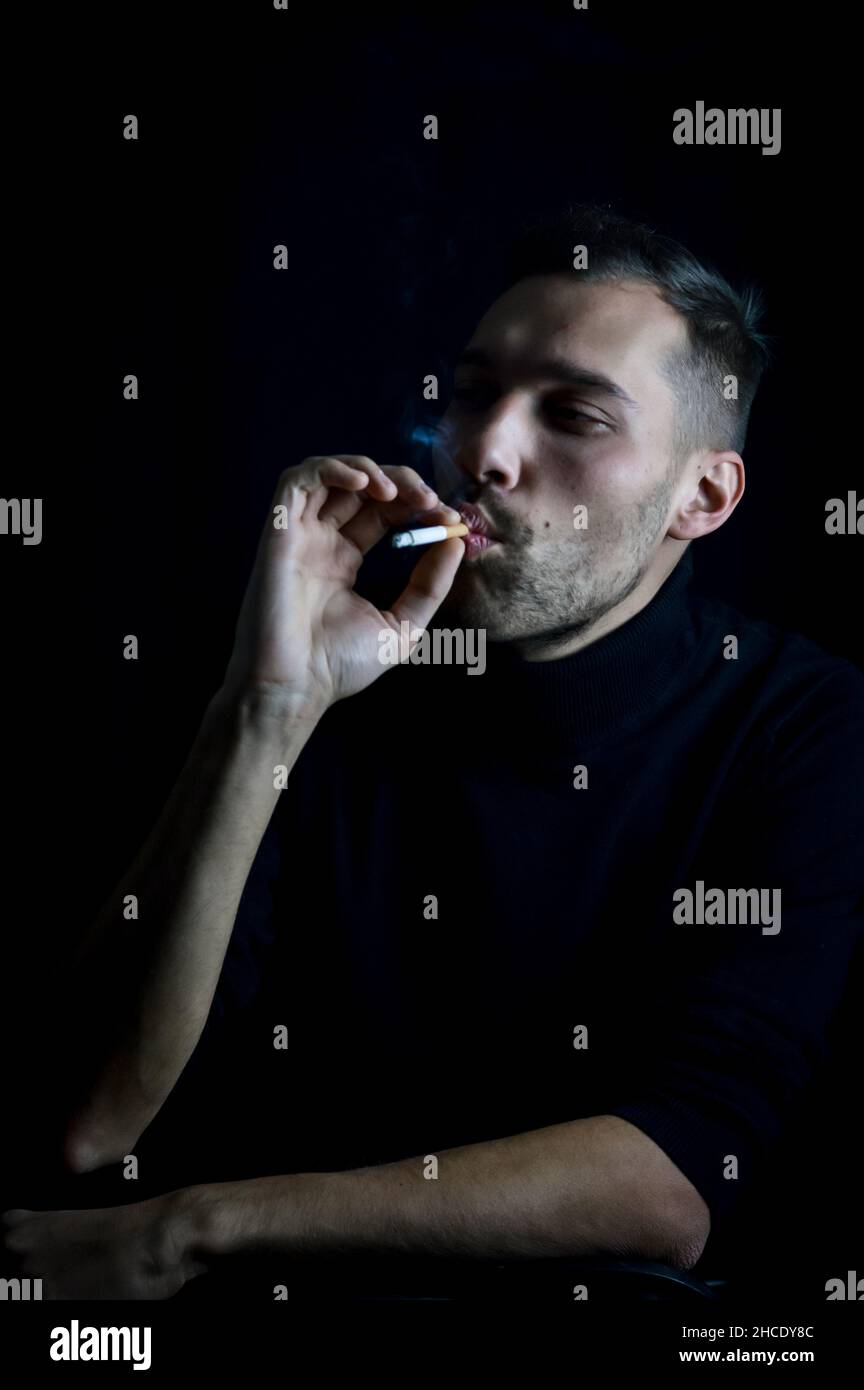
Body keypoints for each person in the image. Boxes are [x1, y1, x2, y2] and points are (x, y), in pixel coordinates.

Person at [4, 206, 862, 1301]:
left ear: (704, 494)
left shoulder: (802, 724)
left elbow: (677, 1178)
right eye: (473, 393)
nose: (484, 453)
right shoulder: (337, 670)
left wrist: (196, 1229)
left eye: (575, 414)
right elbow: (87, 1122)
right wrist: (268, 704)